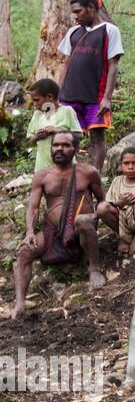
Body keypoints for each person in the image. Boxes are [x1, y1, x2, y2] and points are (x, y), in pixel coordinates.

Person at [12, 132, 107, 318]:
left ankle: (94, 269)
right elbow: (33, 207)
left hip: (81, 230)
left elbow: (102, 201)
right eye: (56, 145)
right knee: (24, 252)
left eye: (65, 145)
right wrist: (30, 232)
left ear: (76, 149)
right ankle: (20, 303)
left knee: (82, 220)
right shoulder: (42, 176)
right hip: (52, 231)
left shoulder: (88, 172)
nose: (59, 149)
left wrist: (93, 218)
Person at [57, 0, 122, 172]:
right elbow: (66, 63)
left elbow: (113, 65)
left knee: (97, 137)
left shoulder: (109, 31)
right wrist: (58, 92)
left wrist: (107, 97)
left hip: (96, 96)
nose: (75, 16)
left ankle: (94, 178)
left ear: (91, 8)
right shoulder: (73, 32)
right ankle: (69, 177)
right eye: (73, 12)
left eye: (78, 12)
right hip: (69, 95)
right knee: (68, 137)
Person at [25, 79, 81, 173]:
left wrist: (58, 131)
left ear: (50, 97)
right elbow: (29, 140)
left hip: (66, 167)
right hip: (42, 168)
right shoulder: (37, 115)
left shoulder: (67, 111)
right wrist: (36, 137)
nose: (34, 104)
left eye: (37, 100)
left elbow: (79, 135)